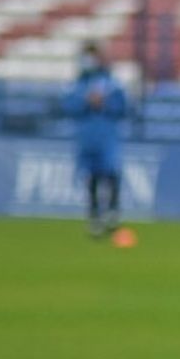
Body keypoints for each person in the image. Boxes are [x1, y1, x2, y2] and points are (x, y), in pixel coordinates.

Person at [63, 40, 127, 238]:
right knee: (91, 177)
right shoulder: (78, 84)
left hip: (106, 134)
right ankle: (94, 218)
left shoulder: (111, 83)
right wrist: (86, 102)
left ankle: (112, 212)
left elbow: (123, 108)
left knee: (111, 172)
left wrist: (104, 104)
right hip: (86, 136)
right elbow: (69, 107)